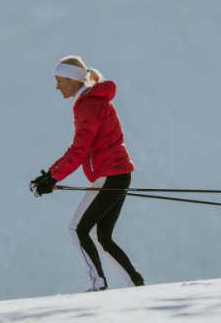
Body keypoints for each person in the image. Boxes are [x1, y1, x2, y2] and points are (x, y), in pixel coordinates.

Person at [30, 55, 145, 292]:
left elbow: (80, 149)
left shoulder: (89, 104)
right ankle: (135, 283)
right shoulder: (91, 101)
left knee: (77, 230)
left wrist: (54, 177)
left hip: (110, 175)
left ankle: (98, 284)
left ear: (73, 81)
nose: (57, 87)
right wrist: (49, 175)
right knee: (102, 237)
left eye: (59, 80)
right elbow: (78, 147)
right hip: (118, 174)